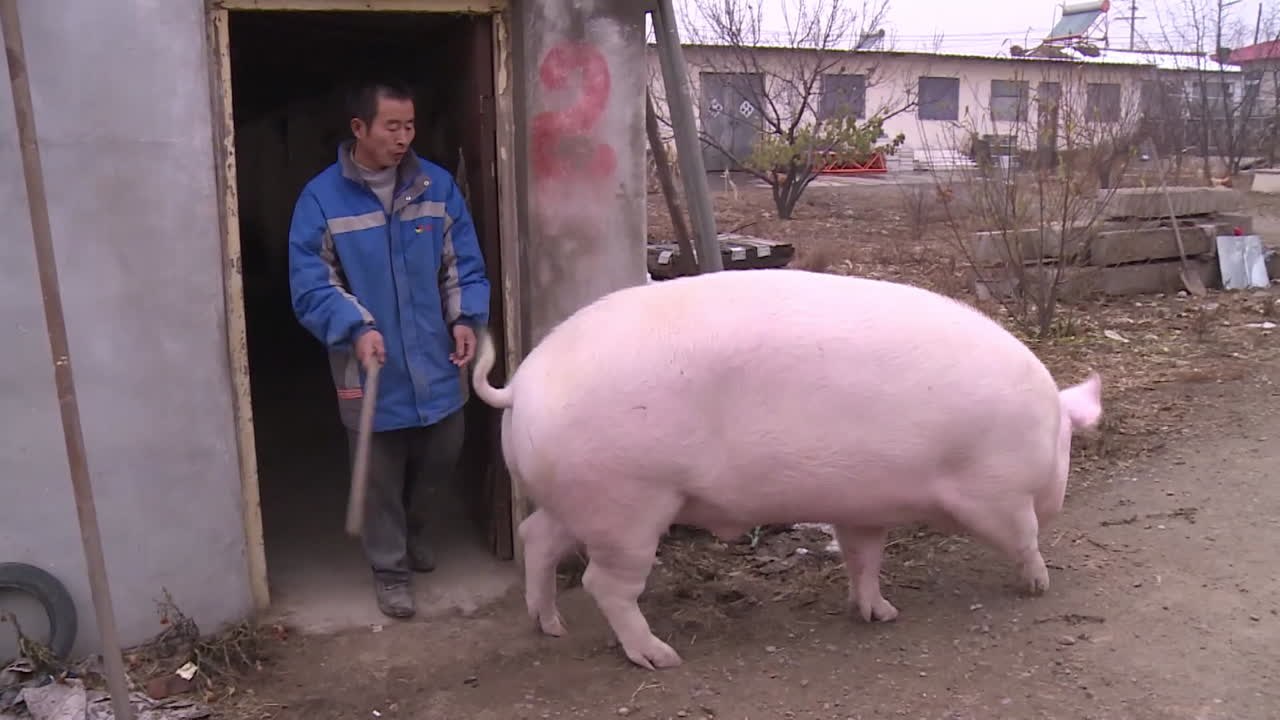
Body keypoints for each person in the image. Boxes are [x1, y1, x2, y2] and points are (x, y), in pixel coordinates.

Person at [287, 79, 491, 619]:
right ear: (360, 129)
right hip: (368, 361)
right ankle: (390, 568)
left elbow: (461, 265)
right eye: (392, 127)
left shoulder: (436, 186)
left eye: (410, 126)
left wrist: (466, 318)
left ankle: (417, 528)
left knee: (443, 453)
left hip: (434, 358)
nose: (404, 138)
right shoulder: (321, 199)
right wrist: (354, 325)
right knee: (377, 473)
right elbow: (311, 284)